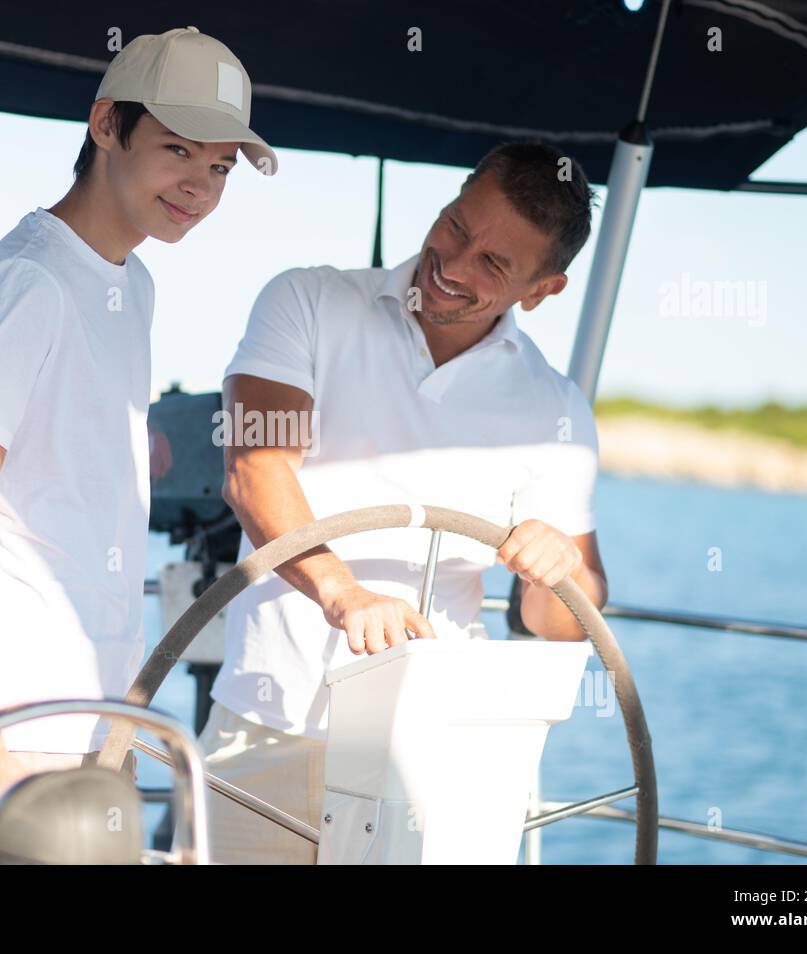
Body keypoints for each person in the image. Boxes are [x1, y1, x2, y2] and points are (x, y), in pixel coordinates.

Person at [0, 26, 277, 865]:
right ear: (107, 125)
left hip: (95, 723)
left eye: (219, 168)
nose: (200, 187)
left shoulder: (130, 282)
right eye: (178, 149)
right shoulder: (33, 282)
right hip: (12, 736)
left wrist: (122, 452)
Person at [201, 142, 606, 864]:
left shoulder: (557, 408)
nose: (452, 266)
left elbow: (565, 623)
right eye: (456, 227)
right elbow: (255, 472)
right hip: (269, 723)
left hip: (436, 746)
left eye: (495, 264)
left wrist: (558, 575)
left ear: (543, 290)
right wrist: (343, 592)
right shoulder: (307, 300)